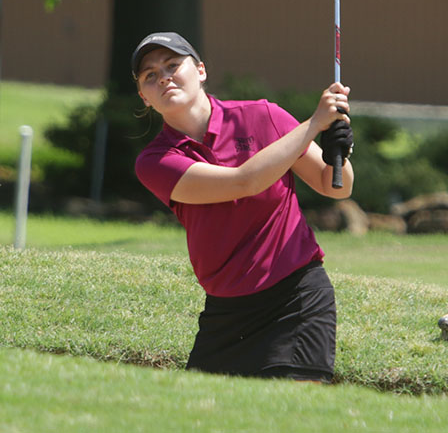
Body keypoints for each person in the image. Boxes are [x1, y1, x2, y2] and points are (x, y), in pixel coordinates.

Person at [132, 31, 354, 383]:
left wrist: (336, 145)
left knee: (293, 414)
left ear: (201, 70)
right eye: (150, 75)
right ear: (144, 96)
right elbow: (243, 182)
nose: (164, 77)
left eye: (173, 65)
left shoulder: (264, 116)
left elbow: (334, 185)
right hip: (226, 313)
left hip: (295, 297)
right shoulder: (156, 161)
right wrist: (312, 125)